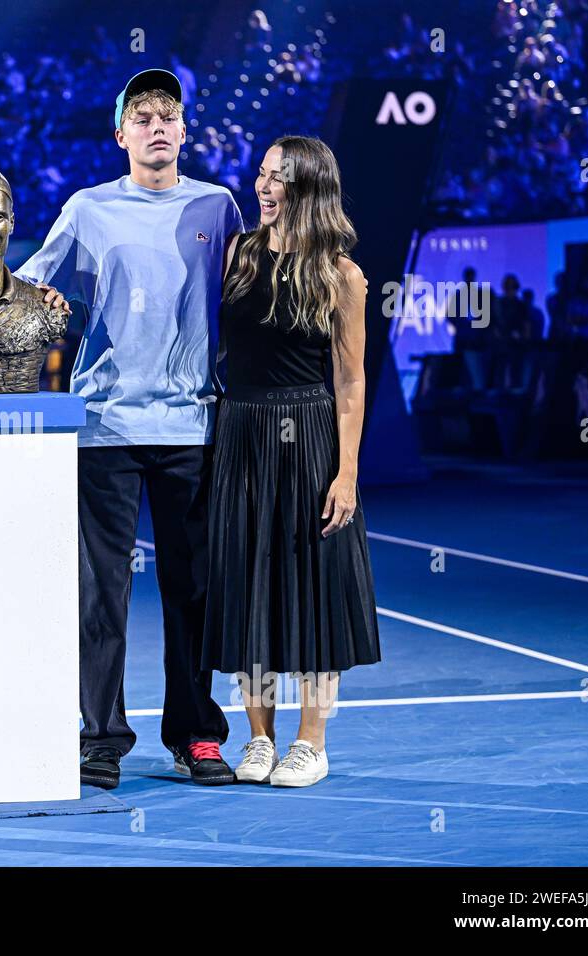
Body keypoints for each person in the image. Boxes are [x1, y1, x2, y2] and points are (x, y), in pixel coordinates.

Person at [0, 70, 243, 789]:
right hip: (104, 426)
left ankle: (196, 736)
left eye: (168, 115)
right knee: (102, 594)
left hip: (193, 424)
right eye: (142, 116)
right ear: (120, 133)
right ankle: (100, 738)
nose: (157, 126)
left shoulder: (218, 208)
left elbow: (246, 303)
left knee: (193, 591)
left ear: (185, 131)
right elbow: (27, 288)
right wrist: (16, 291)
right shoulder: (88, 209)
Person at [203, 135, 380, 788]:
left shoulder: (342, 274)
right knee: (249, 587)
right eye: (261, 173)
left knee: (312, 591)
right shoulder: (239, 255)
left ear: (309, 187)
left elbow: (352, 381)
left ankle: (311, 740)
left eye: (278, 177)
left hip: (308, 435)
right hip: (242, 433)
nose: (263, 186)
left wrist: (347, 472)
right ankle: (257, 736)